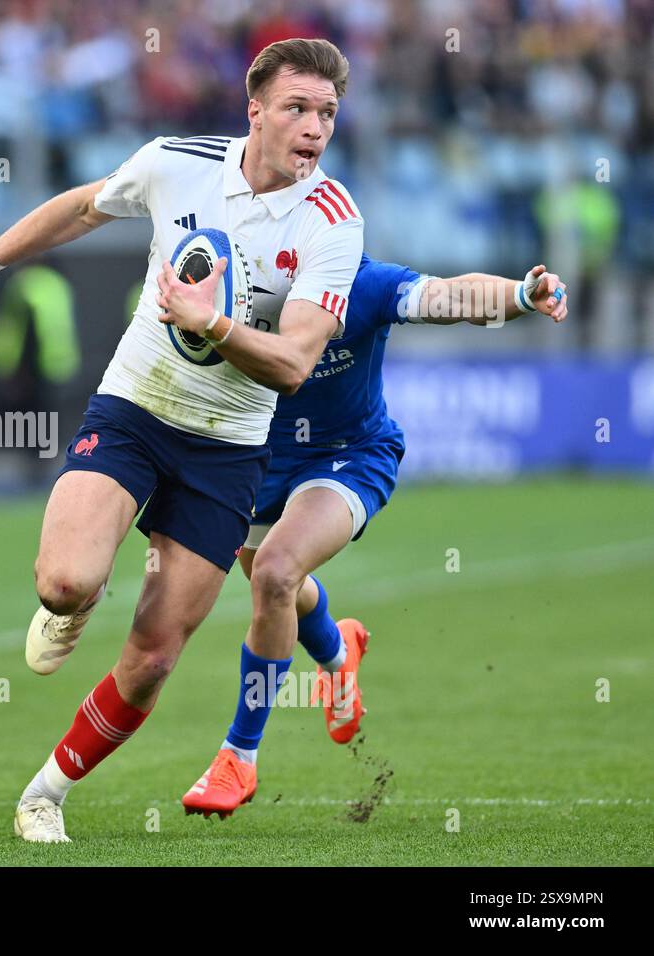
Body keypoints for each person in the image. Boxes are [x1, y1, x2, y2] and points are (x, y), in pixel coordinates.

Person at [0, 38, 363, 843]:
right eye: (297, 109)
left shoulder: (334, 221)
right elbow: (83, 206)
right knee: (63, 582)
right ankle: (75, 601)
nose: (314, 128)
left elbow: (295, 365)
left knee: (154, 656)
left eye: (328, 114)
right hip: (135, 410)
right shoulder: (177, 161)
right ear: (255, 112)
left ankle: (43, 796)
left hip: (229, 449)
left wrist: (215, 323)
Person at [163, 253, 567, 817]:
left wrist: (520, 297)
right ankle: (337, 651)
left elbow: (449, 296)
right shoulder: (237, 279)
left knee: (277, 572)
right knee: (276, 584)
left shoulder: (362, 281)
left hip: (348, 458)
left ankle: (239, 755)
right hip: (255, 458)